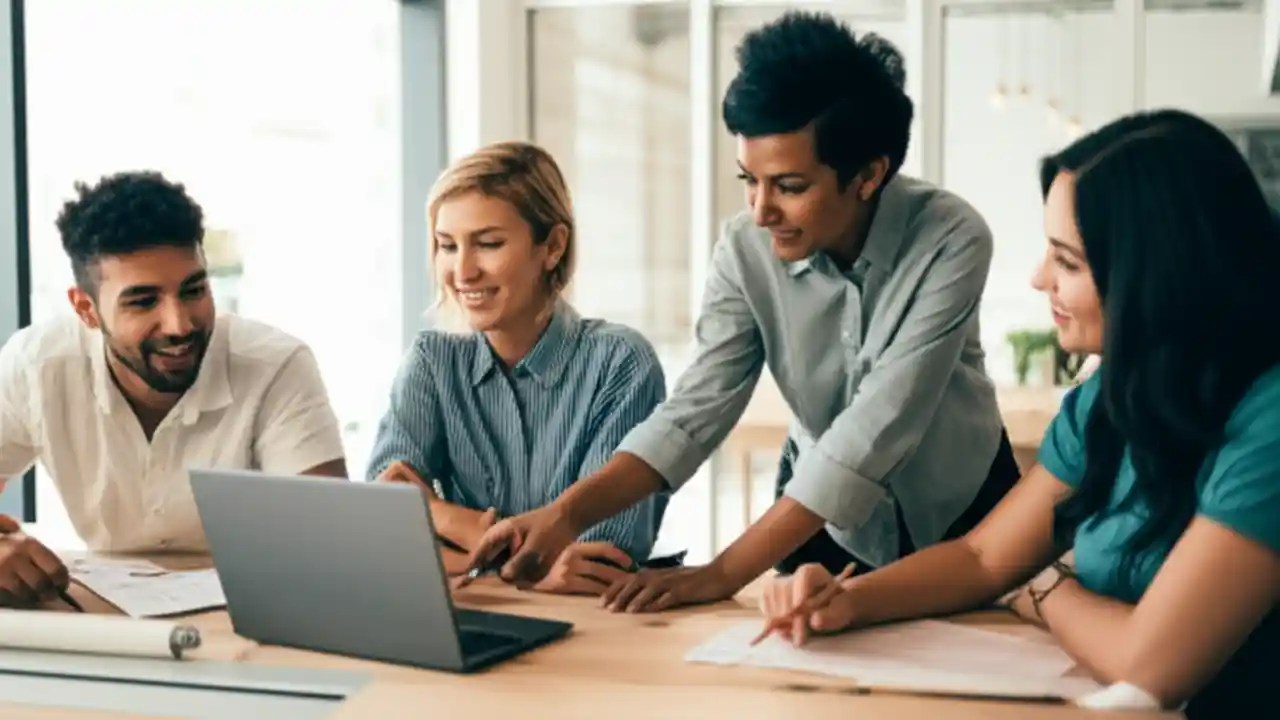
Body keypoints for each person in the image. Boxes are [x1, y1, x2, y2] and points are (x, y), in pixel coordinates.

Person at [469, 11, 1018, 611]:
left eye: (789, 186)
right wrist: (564, 514)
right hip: (826, 527)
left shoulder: (951, 237)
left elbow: (877, 427)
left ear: (868, 175)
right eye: (747, 180)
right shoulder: (744, 248)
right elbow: (694, 411)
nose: (760, 211)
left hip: (967, 514)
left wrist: (721, 574)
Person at [757, 110, 1280, 718]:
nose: (1039, 279)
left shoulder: (1268, 420)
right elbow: (983, 557)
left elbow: (1149, 664)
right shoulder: (1113, 396)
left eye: (1068, 262)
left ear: (1154, 278)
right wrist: (849, 599)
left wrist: (1043, 587)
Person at [0, 171, 347, 606]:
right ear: (86, 309)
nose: (180, 324)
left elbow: (332, 548)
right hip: (101, 614)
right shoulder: (37, 365)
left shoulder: (276, 365)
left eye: (194, 290)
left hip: (251, 614)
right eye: (143, 301)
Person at [366, 141, 667, 596]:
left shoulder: (620, 364)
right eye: (447, 246)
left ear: (553, 246)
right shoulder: (431, 364)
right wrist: (526, 565)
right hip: (472, 619)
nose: (462, 271)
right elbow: (381, 528)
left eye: (488, 244)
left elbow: (602, 556)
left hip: (594, 635)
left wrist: (438, 516)